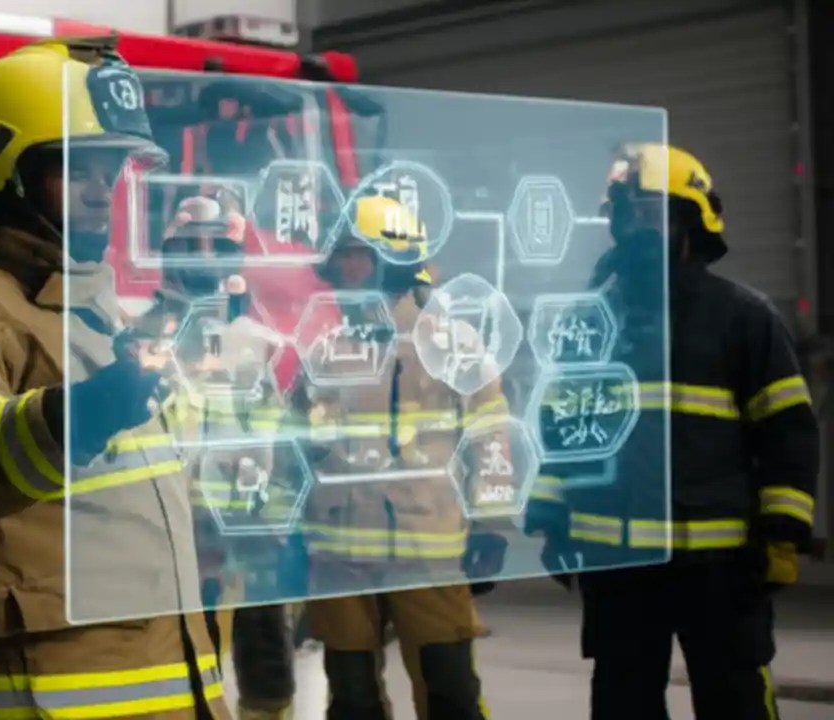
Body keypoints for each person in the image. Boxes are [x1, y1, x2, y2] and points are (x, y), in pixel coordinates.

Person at [0, 37, 227, 719]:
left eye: (112, 170)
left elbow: (124, 404)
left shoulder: (80, 299)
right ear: (5, 175)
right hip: (51, 695)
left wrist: (181, 300)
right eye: (75, 168)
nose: (103, 193)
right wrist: (81, 416)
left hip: (165, 682)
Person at [529, 143, 820, 720]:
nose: (636, 229)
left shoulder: (743, 317)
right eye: (625, 213)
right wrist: (551, 515)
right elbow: (564, 429)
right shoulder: (590, 319)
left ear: (691, 222)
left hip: (720, 568)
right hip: (617, 566)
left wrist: (783, 531)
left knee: (734, 700)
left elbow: (787, 430)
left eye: (652, 214)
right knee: (623, 703)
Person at [301, 196, 504, 720]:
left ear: (389, 259)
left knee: (451, 694)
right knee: (352, 702)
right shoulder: (326, 353)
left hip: (427, 554)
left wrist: (493, 526)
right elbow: (298, 447)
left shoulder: (453, 344)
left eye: (355, 257)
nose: (342, 272)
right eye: (341, 259)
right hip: (340, 557)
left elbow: (492, 436)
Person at [134, 194, 298, 720]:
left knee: (268, 672)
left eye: (216, 247)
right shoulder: (138, 339)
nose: (204, 258)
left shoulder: (258, 344)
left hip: (248, 540)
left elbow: (281, 442)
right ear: (168, 255)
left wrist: (279, 533)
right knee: (190, 675)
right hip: (176, 540)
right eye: (190, 246)